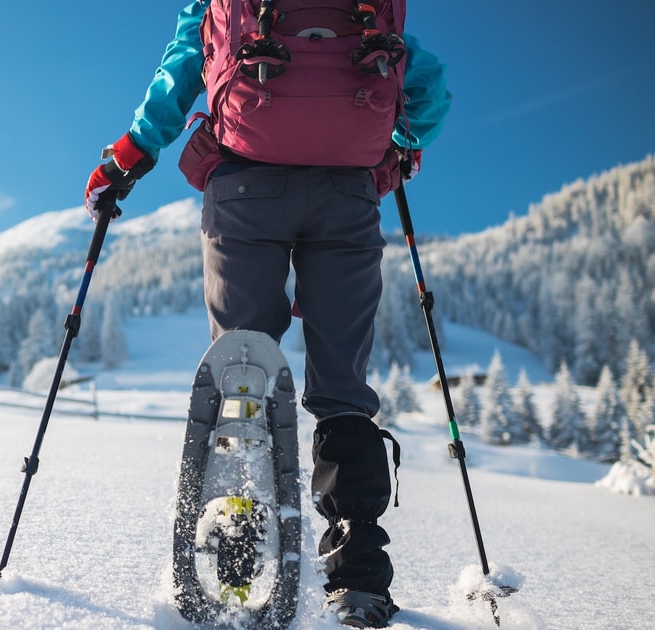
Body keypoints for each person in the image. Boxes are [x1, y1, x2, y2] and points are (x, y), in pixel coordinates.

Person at [84, 1, 451, 627]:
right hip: (348, 191)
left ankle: (236, 557)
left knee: (242, 368)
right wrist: (405, 142)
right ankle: (356, 575)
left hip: (245, 187)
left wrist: (128, 156)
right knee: (342, 390)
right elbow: (426, 82)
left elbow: (183, 70)